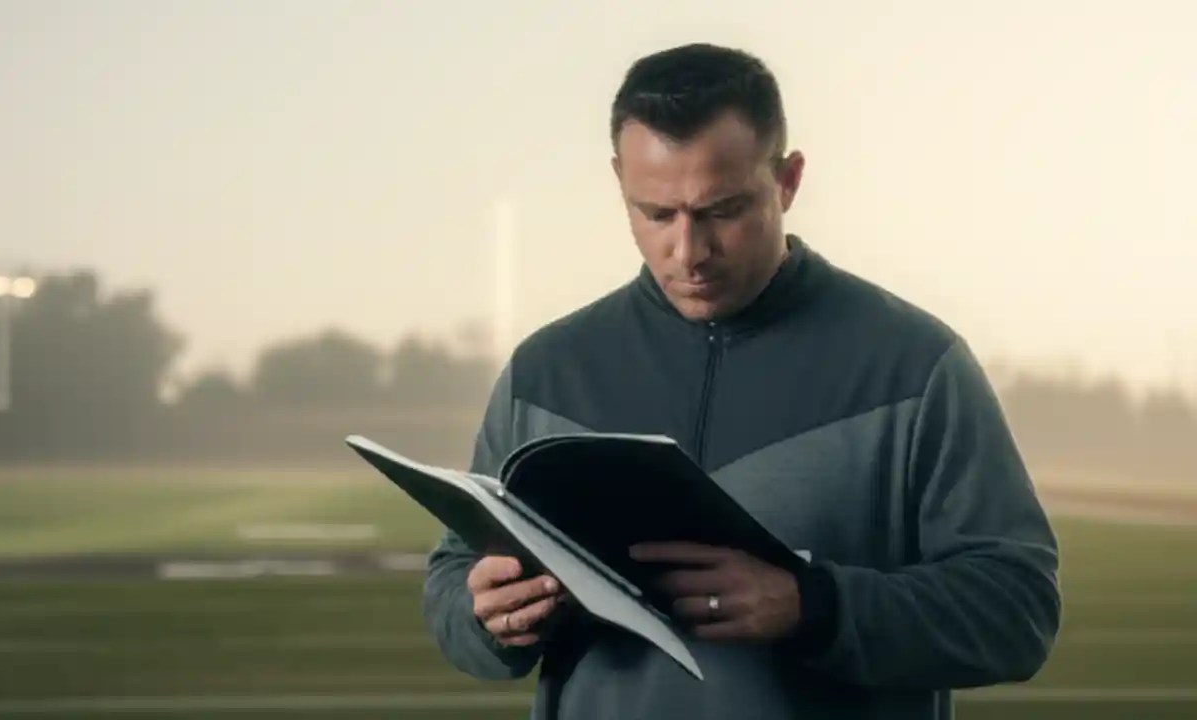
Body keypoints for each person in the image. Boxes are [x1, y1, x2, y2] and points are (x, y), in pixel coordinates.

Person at [422, 42, 1061, 719]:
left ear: (787, 180)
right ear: (619, 183)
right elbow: (454, 581)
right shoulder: (544, 371)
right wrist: (487, 617)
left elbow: (1017, 611)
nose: (689, 251)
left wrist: (815, 606)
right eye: (656, 214)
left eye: (722, 210)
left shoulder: (916, 365)